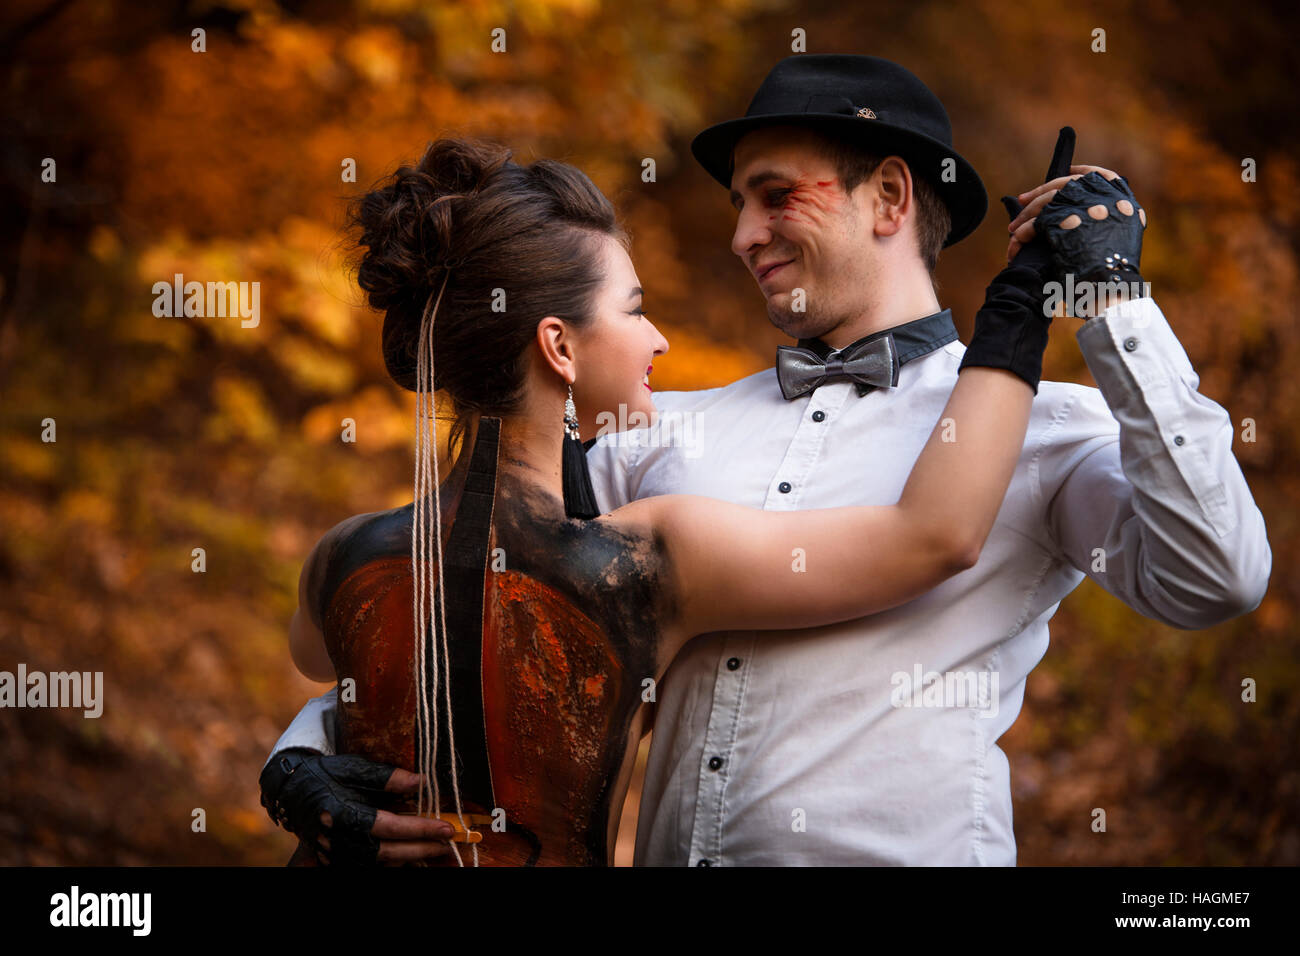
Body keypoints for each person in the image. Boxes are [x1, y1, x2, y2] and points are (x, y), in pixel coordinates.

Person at [263, 55, 1270, 867]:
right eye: (737, 204)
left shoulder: (1045, 426)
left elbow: (1214, 576)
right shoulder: (653, 437)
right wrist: (307, 756)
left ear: (886, 197)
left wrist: (1110, 302)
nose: (742, 235)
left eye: (773, 196)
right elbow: (481, 622)